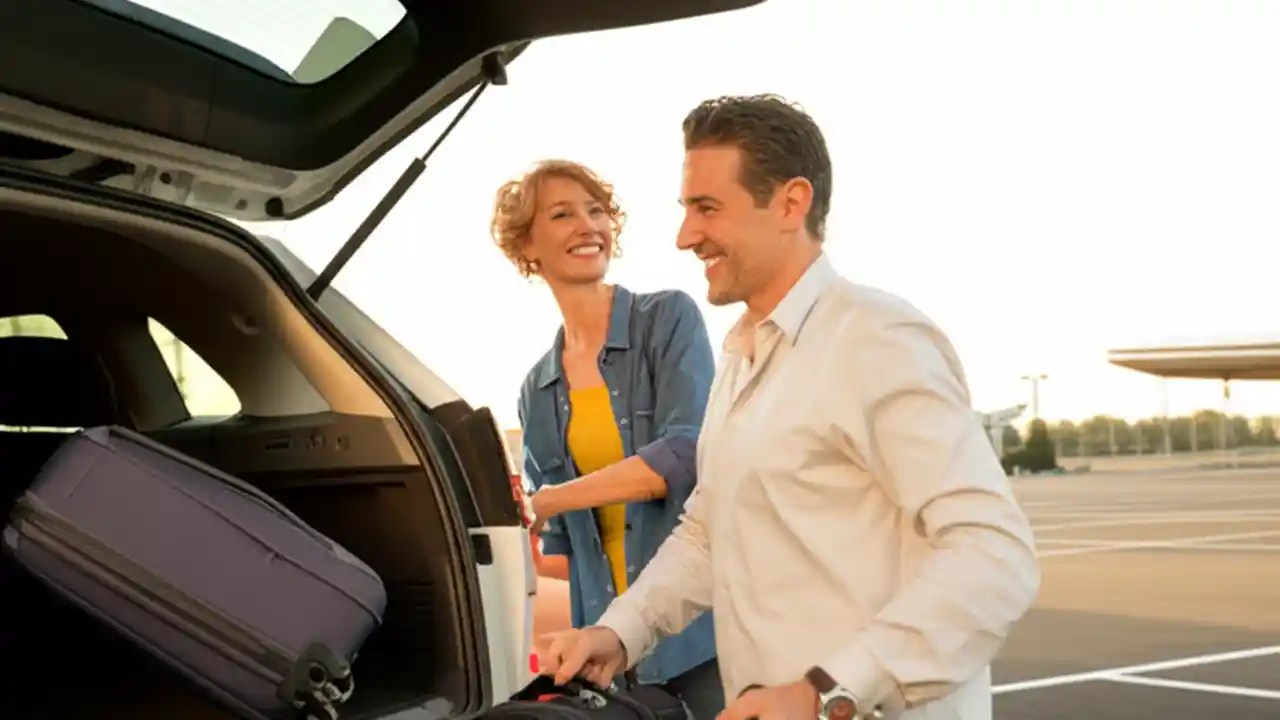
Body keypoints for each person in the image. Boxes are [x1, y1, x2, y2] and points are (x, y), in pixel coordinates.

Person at [536, 96, 1042, 720]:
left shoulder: (876, 339)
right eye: (687, 209)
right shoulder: (744, 356)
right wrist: (619, 632)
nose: (686, 235)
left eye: (707, 208)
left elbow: (994, 555)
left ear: (790, 203)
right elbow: (707, 533)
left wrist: (828, 690)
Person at [492, 159, 724, 718]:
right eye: (563, 214)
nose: (588, 226)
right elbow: (564, 551)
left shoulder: (667, 320)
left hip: (703, 638)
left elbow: (685, 455)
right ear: (528, 245)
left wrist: (548, 500)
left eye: (597, 211)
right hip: (613, 653)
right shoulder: (537, 390)